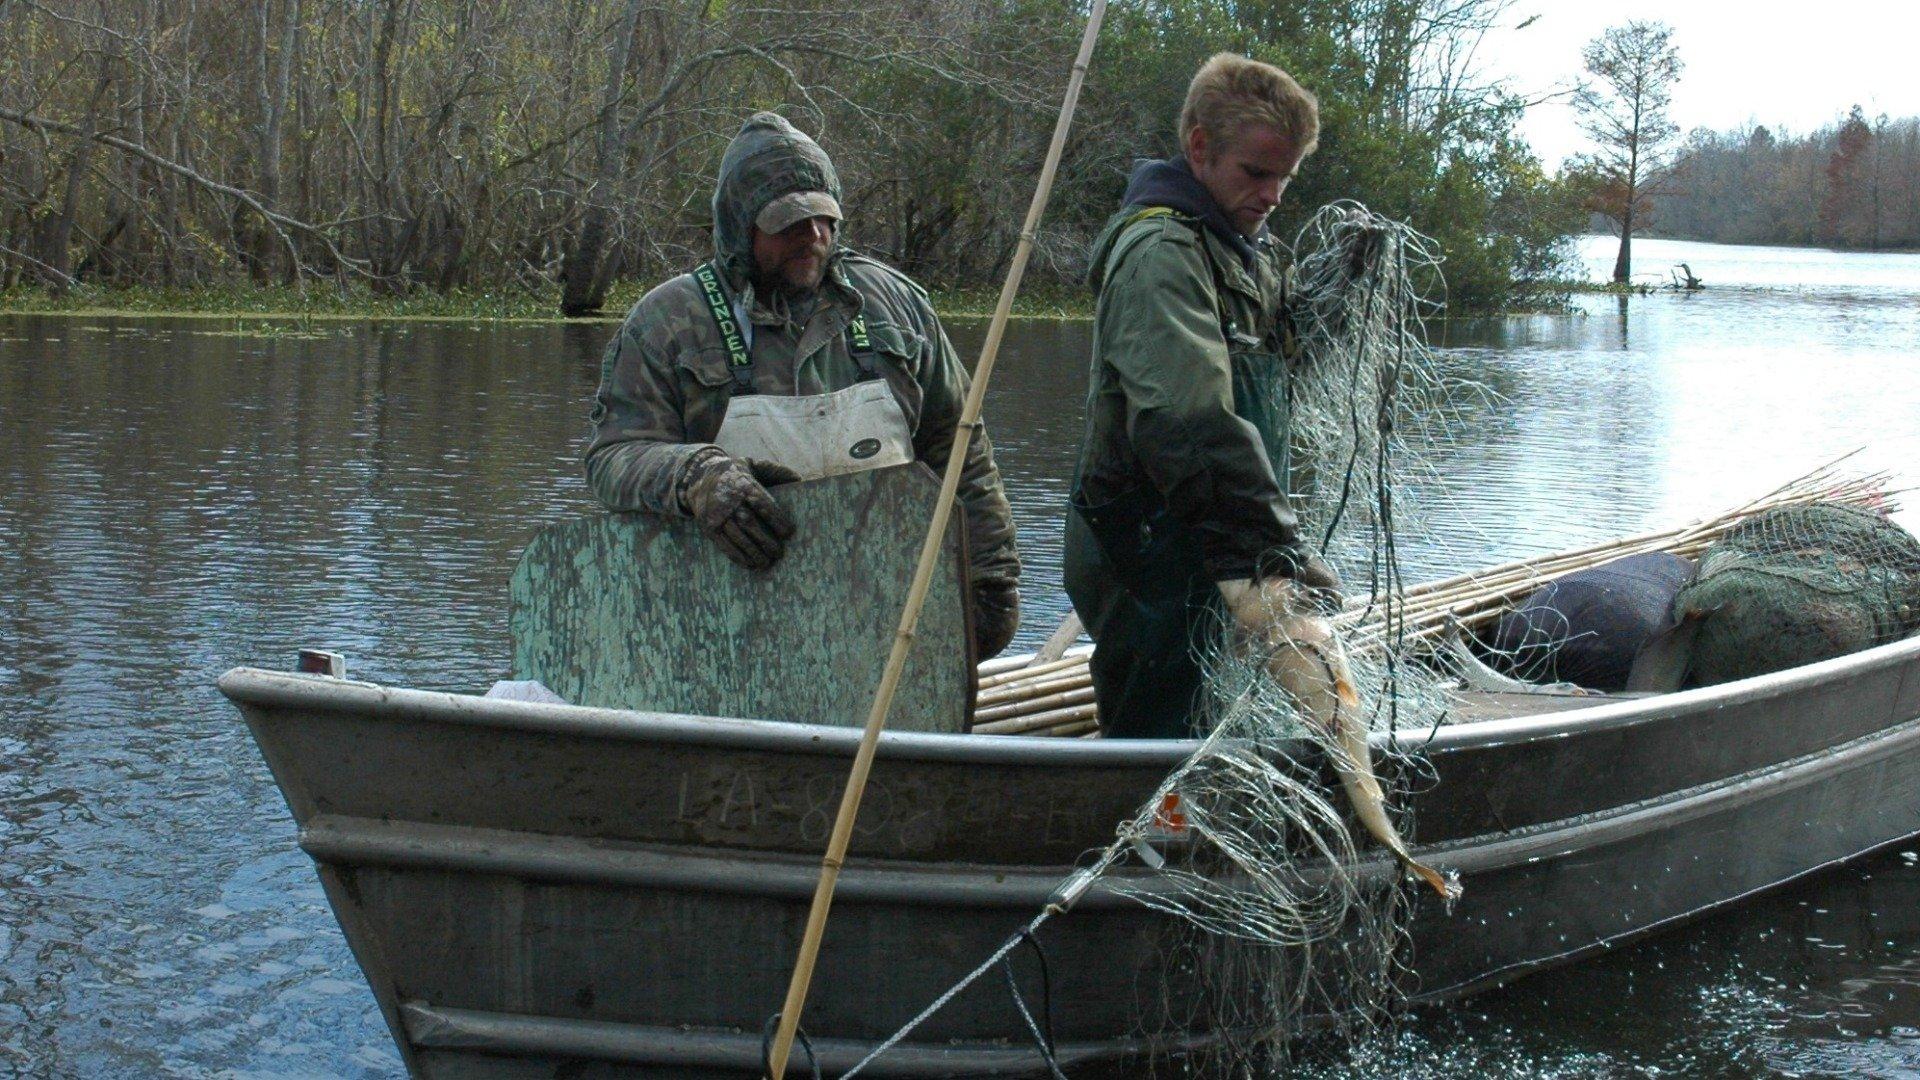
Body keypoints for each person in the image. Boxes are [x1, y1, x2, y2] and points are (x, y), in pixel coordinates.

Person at [585, 112, 1022, 659]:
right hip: (723, 625)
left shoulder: (898, 305)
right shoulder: (668, 322)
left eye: (823, 218)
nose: (813, 236)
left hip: (883, 618)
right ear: (741, 228)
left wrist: (989, 572)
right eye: (789, 222)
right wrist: (696, 476)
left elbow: (960, 448)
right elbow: (612, 457)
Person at [1064, 53, 1340, 737]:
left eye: (1284, 177)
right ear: (1198, 147)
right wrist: (1271, 548)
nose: (1273, 193)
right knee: (1158, 729)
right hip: (1148, 542)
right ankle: (1147, 837)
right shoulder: (1163, 253)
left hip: (1210, 534)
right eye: (1256, 172)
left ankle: (1188, 832)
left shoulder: (1246, 249)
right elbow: (1186, 423)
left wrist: (1339, 300)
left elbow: (1280, 364)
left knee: (1215, 721)